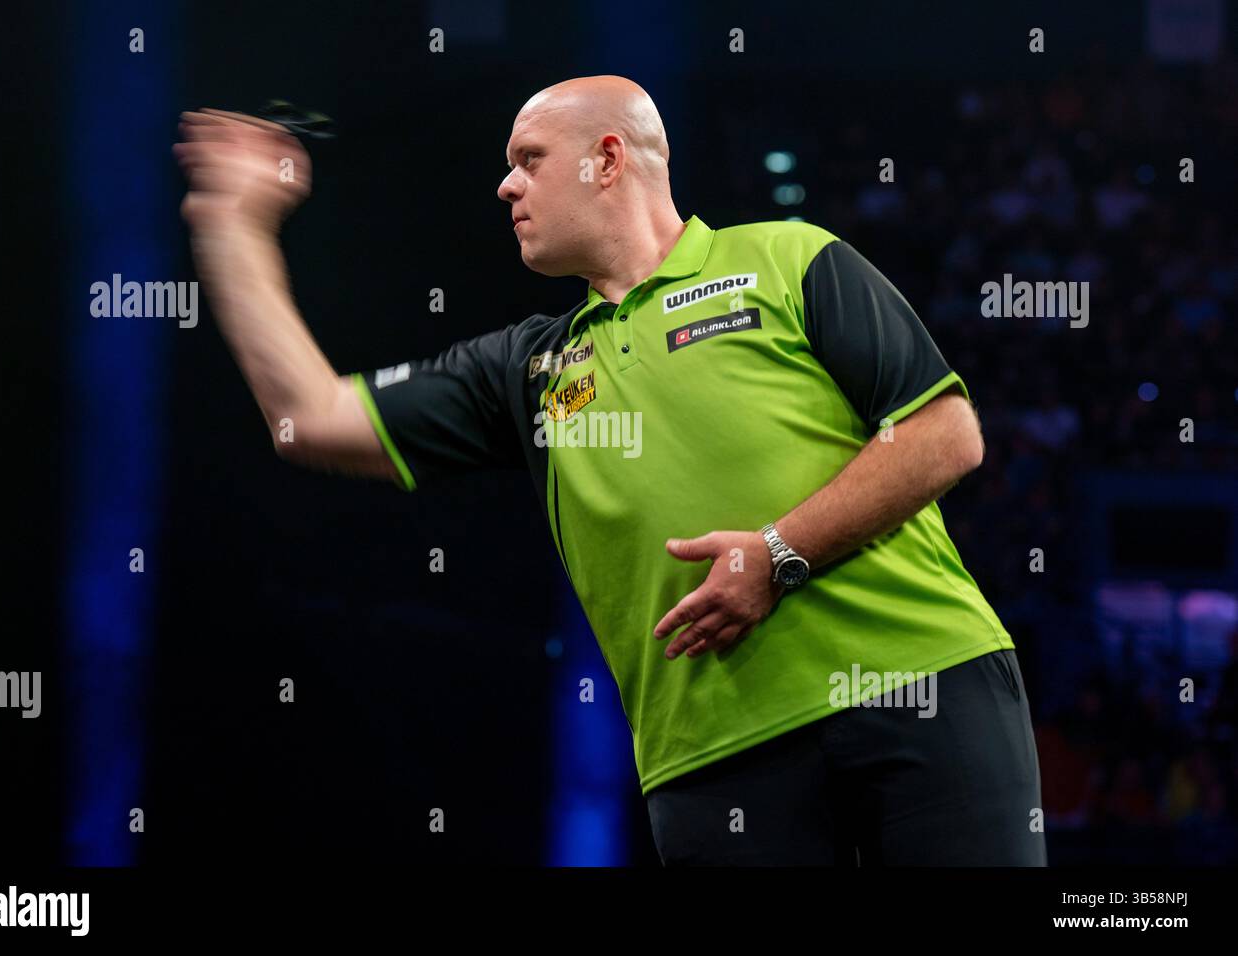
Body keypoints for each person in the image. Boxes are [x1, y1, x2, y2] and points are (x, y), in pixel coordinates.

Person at [174, 74, 1046, 865]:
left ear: (607, 158)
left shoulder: (787, 260)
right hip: (710, 752)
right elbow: (308, 418)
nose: (505, 185)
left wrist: (779, 554)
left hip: (927, 688)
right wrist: (232, 223)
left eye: (528, 159)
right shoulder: (525, 368)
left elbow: (943, 432)